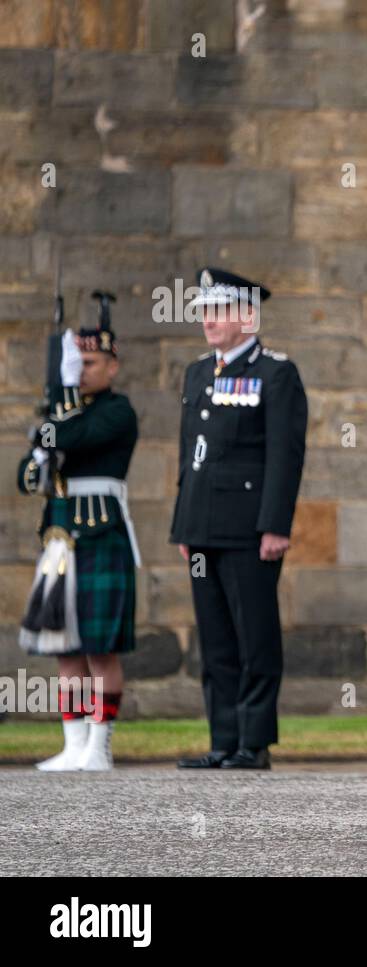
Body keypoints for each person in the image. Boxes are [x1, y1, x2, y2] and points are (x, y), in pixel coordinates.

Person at [172, 268, 308, 771]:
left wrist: (275, 525)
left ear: (247, 317)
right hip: (202, 526)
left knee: (254, 634)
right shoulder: (197, 373)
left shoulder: (276, 373)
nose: (209, 320)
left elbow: (284, 456)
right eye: (205, 310)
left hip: (250, 528)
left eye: (220, 310)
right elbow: (191, 455)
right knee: (215, 636)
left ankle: (253, 741)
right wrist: (183, 525)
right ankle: (223, 738)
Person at [18, 300, 139, 771]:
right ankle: (73, 743)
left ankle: (99, 747)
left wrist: (58, 407)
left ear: (112, 365)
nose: (82, 371)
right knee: (65, 646)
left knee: (98, 645)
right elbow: (25, 477)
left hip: (101, 533)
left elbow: (74, 436)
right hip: (59, 537)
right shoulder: (65, 411)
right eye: (76, 363)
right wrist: (39, 456)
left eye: (89, 363)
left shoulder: (118, 411)